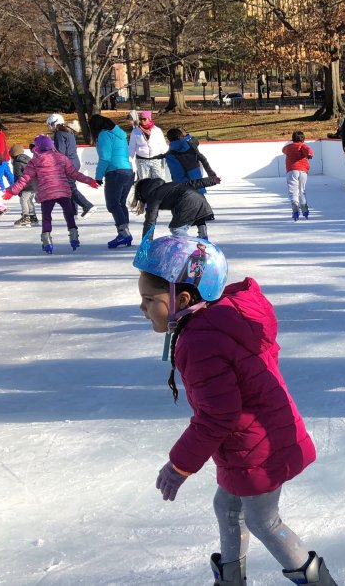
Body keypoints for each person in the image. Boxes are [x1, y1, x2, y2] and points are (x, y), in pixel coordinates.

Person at [133, 236, 334, 586]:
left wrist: (179, 464)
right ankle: (230, 578)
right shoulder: (221, 320)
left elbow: (217, 416)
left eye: (149, 300)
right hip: (258, 440)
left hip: (258, 448)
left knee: (263, 522)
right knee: (227, 507)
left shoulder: (201, 341)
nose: (142, 308)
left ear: (182, 300)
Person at [2, 134, 99, 253]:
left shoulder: (35, 161)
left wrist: (11, 191)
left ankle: (47, 241)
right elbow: (75, 174)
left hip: (46, 194)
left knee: (47, 218)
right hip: (62, 191)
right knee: (69, 214)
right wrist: (90, 181)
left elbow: (24, 179)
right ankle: (74, 236)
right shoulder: (61, 158)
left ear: (38, 147)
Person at [90, 114, 136, 249]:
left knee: (113, 204)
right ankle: (125, 233)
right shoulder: (119, 134)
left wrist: (98, 177)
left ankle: (124, 234)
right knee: (121, 204)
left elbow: (105, 158)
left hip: (115, 172)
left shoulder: (104, 135)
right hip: (127, 171)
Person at [130, 176, 218, 239]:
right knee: (198, 217)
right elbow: (192, 183)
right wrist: (212, 180)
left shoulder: (153, 197)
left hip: (187, 201)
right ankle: (203, 236)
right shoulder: (168, 186)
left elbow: (150, 221)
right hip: (200, 199)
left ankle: (194, 246)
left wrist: (146, 241)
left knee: (176, 228)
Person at [45, 113, 94, 216]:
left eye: (50, 124)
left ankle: (87, 206)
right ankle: (73, 211)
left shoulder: (59, 133)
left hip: (68, 163)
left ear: (54, 123)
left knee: (70, 187)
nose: (50, 127)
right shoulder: (68, 131)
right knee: (70, 187)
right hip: (74, 161)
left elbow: (60, 151)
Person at [282, 131, 314, 220]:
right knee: (302, 190)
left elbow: (283, 150)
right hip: (303, 171)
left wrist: (291, 143)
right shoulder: (302, 146)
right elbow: (308, 150)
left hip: (291, 171)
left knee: (293, 191)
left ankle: (295, 208)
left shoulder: (288, 147)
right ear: (303, 139)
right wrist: (309, 155)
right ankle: (304, 209)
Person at [129, 110, 168, 180]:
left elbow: (163, 145)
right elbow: (132, 147)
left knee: (159, 181)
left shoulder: (157, 130)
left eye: (144, 119)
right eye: (140, 119)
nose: (142, 121)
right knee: (144, 182)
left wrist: (167, 156)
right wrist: (129, 159)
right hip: (142, 161)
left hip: (157, 160)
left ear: (149, 119)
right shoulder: (135, 131)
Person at [9, 144, 39, 227]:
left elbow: (18, 177)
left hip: (27, 185)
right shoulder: (28, 159)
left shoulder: (17, 163)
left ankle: (26, 217)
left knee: (23, 200)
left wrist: (18, 189)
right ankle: (33, 217)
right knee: (29, 200)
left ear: (13, 155)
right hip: (35, 184)